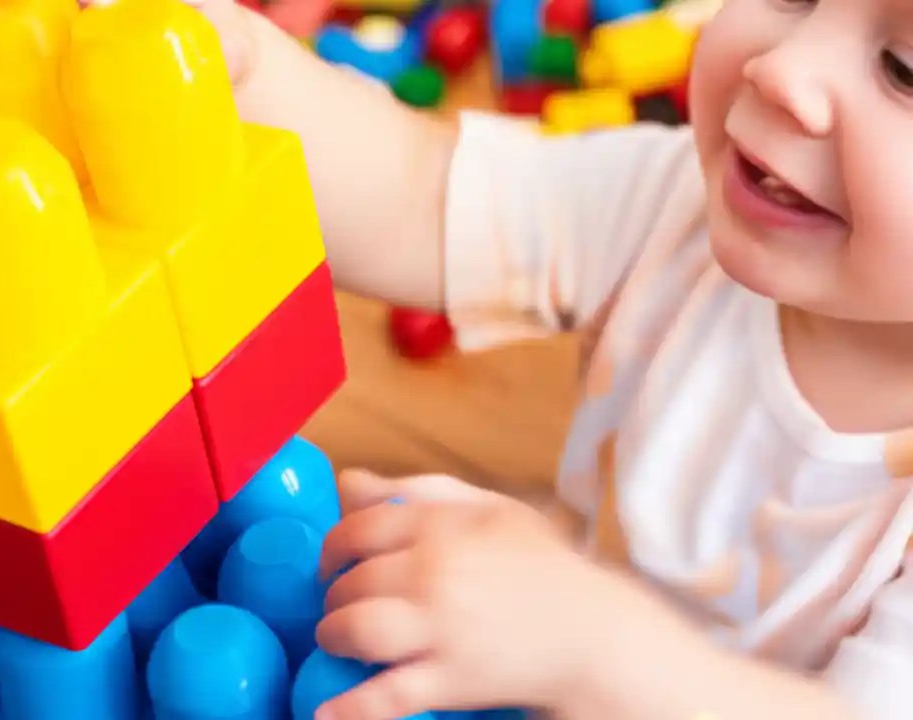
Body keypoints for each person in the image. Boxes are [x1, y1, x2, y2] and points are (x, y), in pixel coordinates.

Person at [184, 0, 913, 717]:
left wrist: (591, 648)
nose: (782, 68)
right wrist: (225, 64)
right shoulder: (674, 206)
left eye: (902, 69)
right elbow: (421, 195)